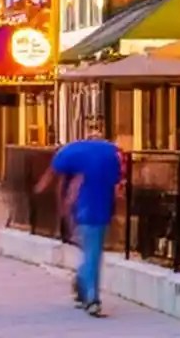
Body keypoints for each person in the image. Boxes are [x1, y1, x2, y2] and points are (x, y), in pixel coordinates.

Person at [35, 129, 122, 317]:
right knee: (93, 254)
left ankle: (83, 284)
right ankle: (91, 298)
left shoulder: (74, 155)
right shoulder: (110, 155)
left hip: (83, 211)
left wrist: (45, 192)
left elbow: (53, 175)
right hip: (97, 211)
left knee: (90, 253)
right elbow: (116, 186)